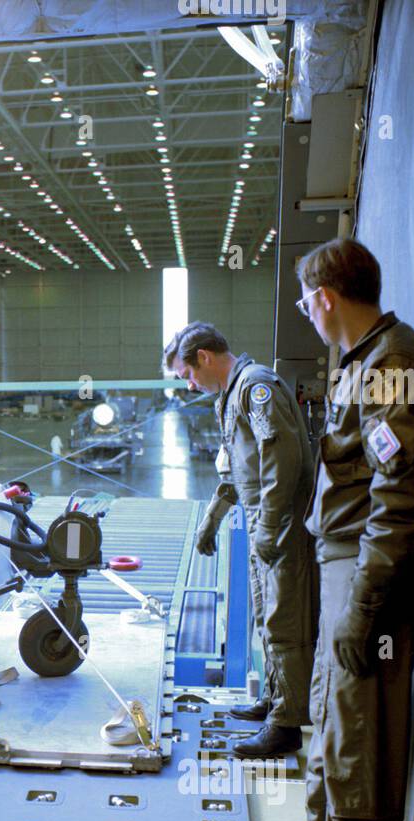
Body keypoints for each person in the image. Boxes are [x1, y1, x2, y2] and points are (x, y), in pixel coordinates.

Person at [262, 238, 414, 821]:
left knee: (357, 753)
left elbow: (399, 502)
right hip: (340, 567)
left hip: (364, 578)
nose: (305, 312)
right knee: (329, 730)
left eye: (305, 300)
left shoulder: (396, 365)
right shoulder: (365, 361)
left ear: (324, 297)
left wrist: (363, 609)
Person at [164, 323, 316, 761]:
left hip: (280, 522)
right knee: (266, 617)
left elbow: (282, 460)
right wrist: (211, 519)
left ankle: (287, 725)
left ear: (204, 358)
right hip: (262, 520)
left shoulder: (256, 387)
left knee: (284, 620)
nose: (189, 385)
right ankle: (275, 699)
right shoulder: (230, 397)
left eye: (187, 375)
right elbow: (237, 471)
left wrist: (268, 526)